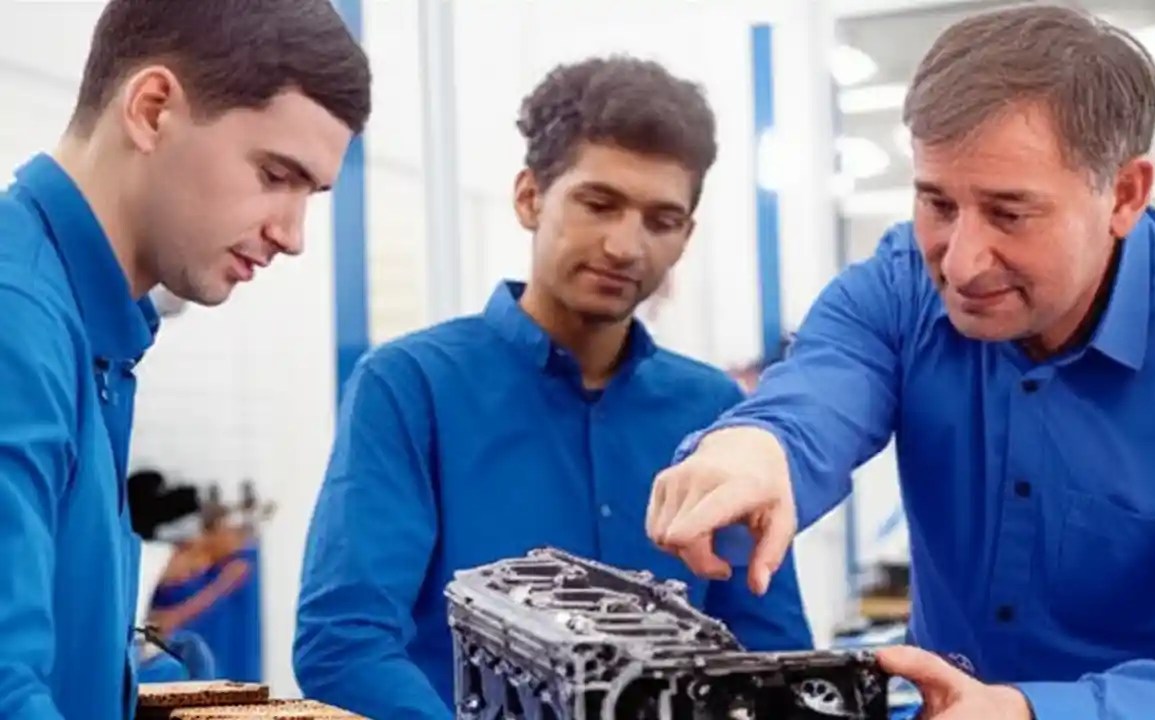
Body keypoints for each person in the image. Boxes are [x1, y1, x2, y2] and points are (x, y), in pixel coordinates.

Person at [646, 6, 1155, 720]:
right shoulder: (900, 285)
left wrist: (1026, 712)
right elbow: (819, 392)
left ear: (1124, 195)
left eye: (1009, 214)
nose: (963, 261)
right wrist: (753, 449)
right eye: (937, 202)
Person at [293, 56, 813, 719]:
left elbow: (772, 655)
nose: (625, 245)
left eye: (660, 219)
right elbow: (344, 641)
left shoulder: (716, 414)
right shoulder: (411, 386)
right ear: (530, 196)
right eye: (599, 204)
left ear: (686, 235)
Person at [0, 1, 370, 717]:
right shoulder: (17, 319)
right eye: (273, 174)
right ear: (153, 108)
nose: (292, 235)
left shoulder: (84, 330)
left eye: (310, 195)